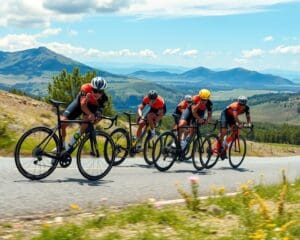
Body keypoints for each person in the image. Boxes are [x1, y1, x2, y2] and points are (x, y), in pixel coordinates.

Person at [60, 76, 108, 151]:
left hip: (92, 106)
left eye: (100, 91)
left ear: (103, 91)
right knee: (62, 123)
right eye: (95, 90)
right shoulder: (85, 88)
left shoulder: (104, 98)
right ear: (92, 88)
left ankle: (70, 145)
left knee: (85, 125)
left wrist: (97, 117)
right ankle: (62, 146)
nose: (97, 94)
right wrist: (90, 114)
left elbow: (100, 111)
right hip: (80, 104)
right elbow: (82, 106)